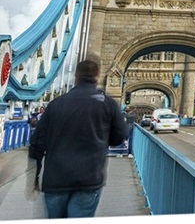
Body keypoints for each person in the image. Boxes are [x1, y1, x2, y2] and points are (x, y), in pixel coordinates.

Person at [26, 59, 129, 219]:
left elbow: (37, 144)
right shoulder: (107, 103)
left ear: (75, 75)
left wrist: (34, 178)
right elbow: (120, 136)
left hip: (56, 180)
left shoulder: (56, 104)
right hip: (89, 179)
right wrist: (102, 138)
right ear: (97, 75)